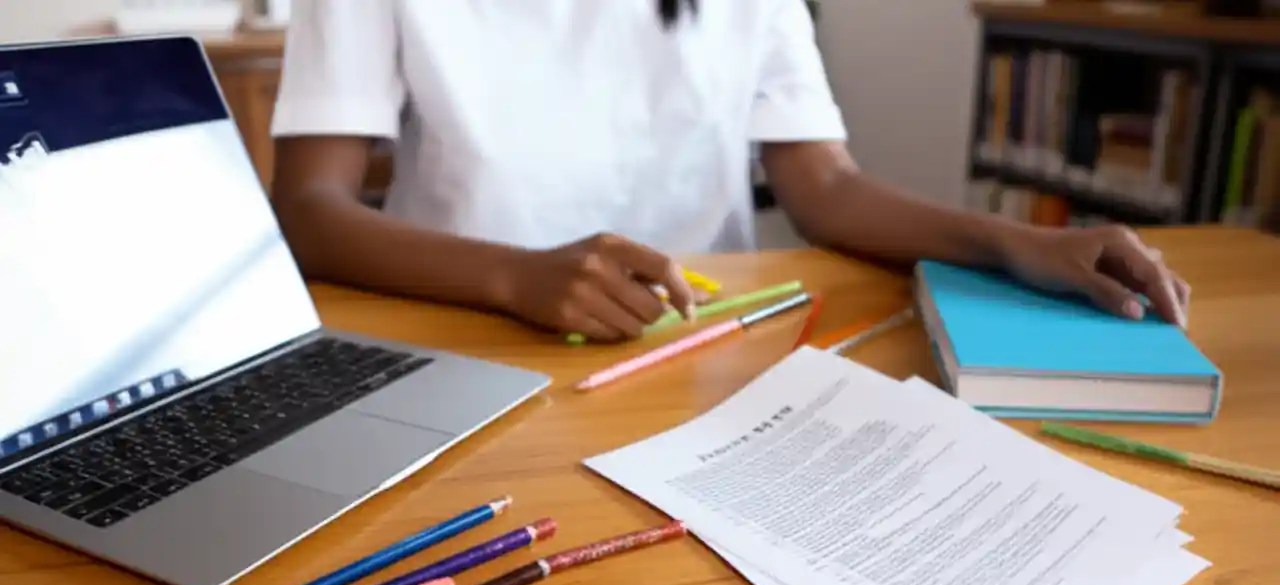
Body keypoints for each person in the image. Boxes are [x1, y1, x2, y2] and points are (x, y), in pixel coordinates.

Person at [269, 0, 1190, 343]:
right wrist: (515, 273)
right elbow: (310, 210)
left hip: (701, 342)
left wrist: (1021, 244)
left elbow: (823, 189)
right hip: (472, 332)